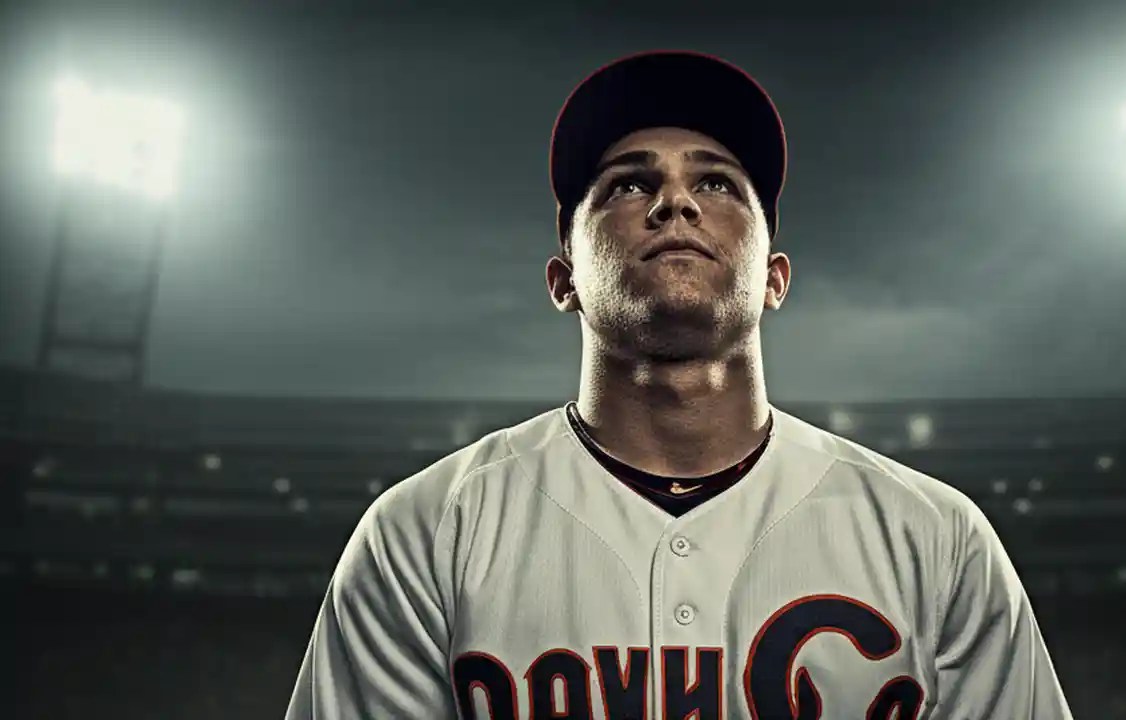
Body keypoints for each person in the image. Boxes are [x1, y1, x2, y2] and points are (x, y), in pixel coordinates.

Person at [285, 50, 1074, 719]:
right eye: (628, 185)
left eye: (719, 184)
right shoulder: (426, 531)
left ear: (774, 277)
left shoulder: (935, 536)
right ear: (564, 279)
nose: (676, 201)